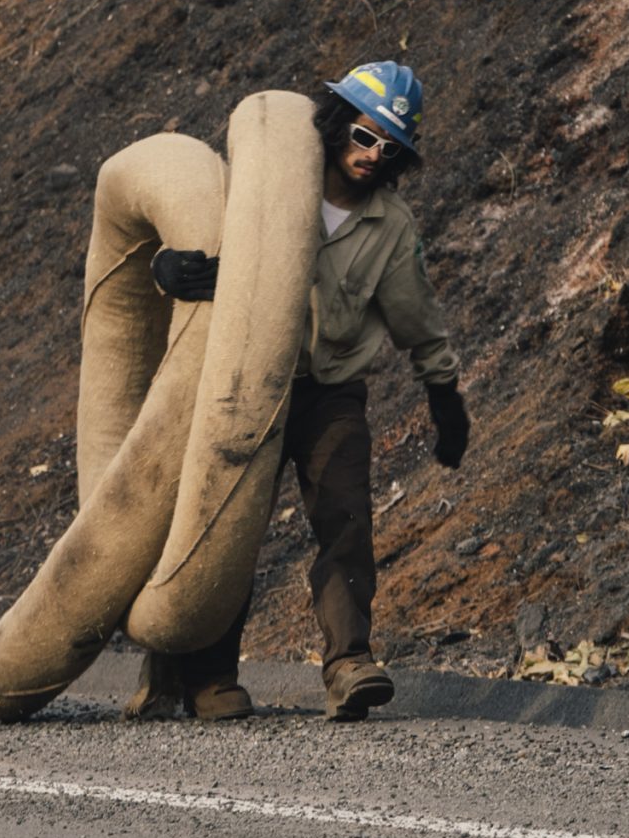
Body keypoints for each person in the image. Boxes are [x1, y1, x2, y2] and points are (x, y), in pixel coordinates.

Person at [141, 60, 469, 723]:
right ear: (337, 122)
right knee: (224, 528)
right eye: (364, 134)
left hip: (331, 393)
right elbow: (181, 233)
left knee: (346, 517)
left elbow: (417, 316)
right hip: (248, 383)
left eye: (388, 146)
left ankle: (350, 664)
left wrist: (444, 392)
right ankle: (202, 679)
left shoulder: (392, 227)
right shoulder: (261, 188)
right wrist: (165, 268)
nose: (372, 155)